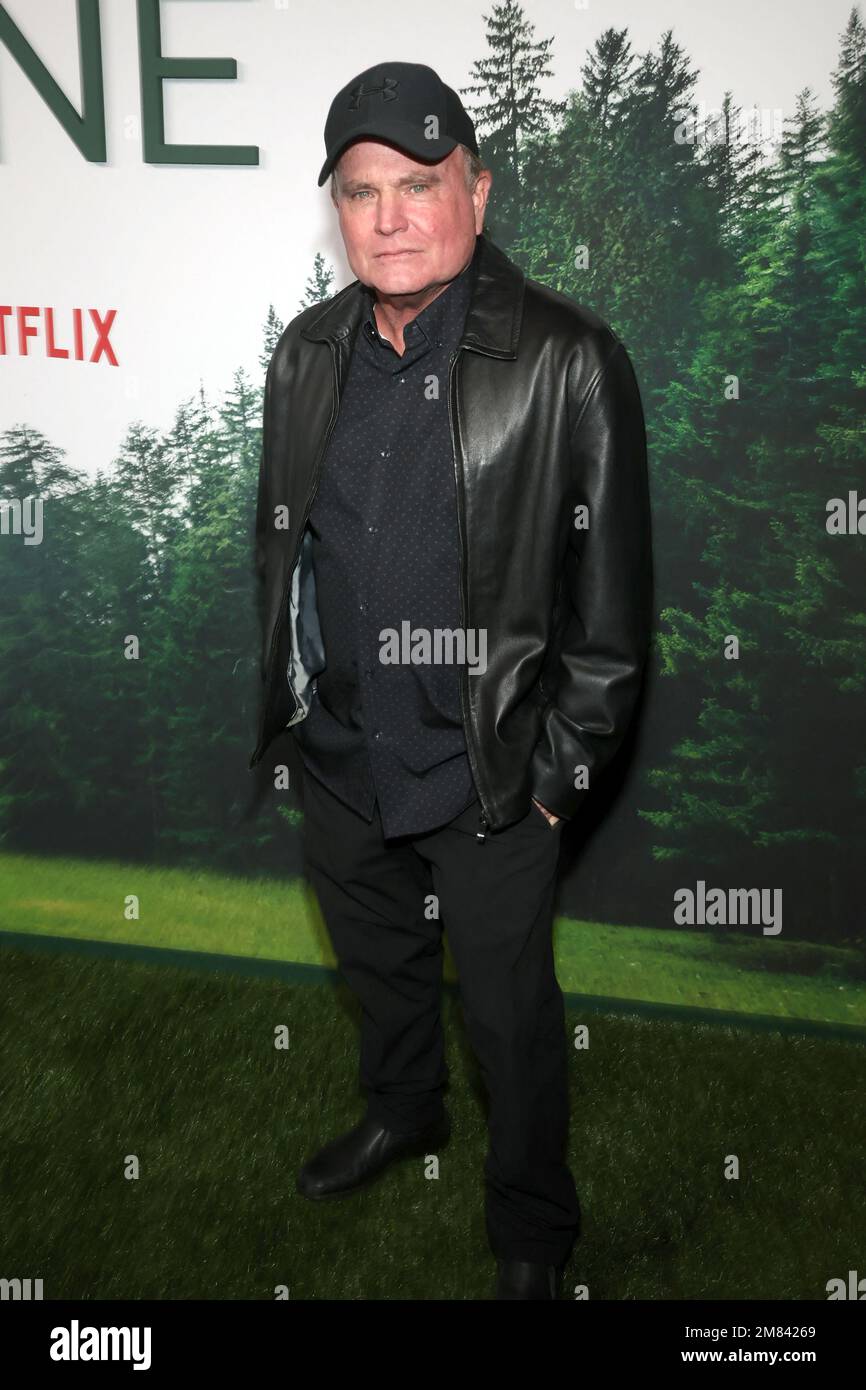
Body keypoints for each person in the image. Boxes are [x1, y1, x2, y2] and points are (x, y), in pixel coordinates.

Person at [250, 60, 653, 1300]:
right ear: (338, 208)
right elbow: (288, 546)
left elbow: (613, 624)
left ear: (474, 190)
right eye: (362, 191)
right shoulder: (307, 353)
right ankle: (402, 1112)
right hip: (346, 761)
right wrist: (301, 706)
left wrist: (548, 785)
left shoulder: (570, 359)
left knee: (513, 1025)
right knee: (379, 975)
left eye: (417, 185)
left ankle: (533, 1232)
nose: (389, 217)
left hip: (491, 774)